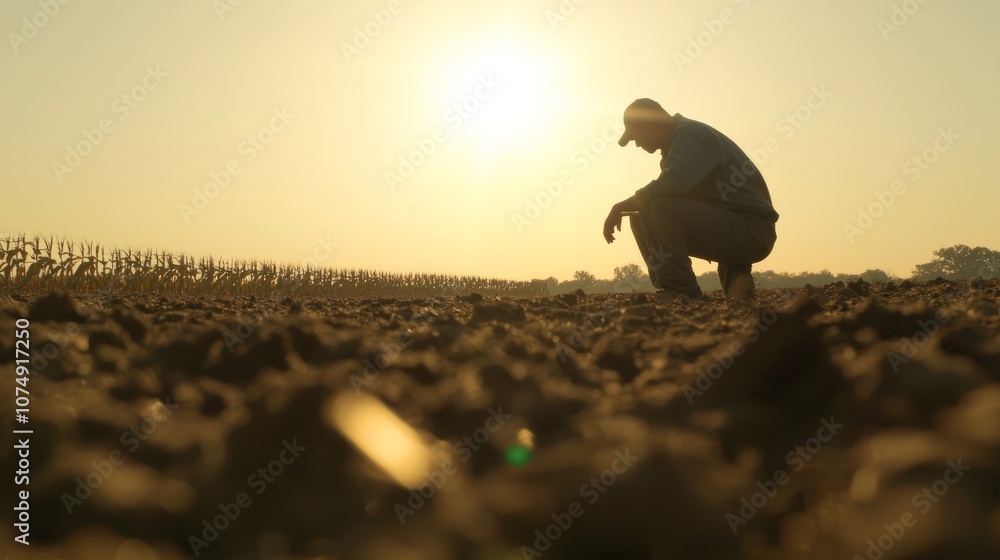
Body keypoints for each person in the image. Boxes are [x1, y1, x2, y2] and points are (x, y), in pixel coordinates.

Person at [604, 98, 778, 300]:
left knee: (659, 204)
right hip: (737, 226)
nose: (637, 143)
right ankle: (738, 284)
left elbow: (672, 183)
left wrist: (619, 206)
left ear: (652, 122)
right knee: (644, 214)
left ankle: (680, 288)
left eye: (636, 135)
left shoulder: (688, 134)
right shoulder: (677, 142)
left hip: (753, 231)